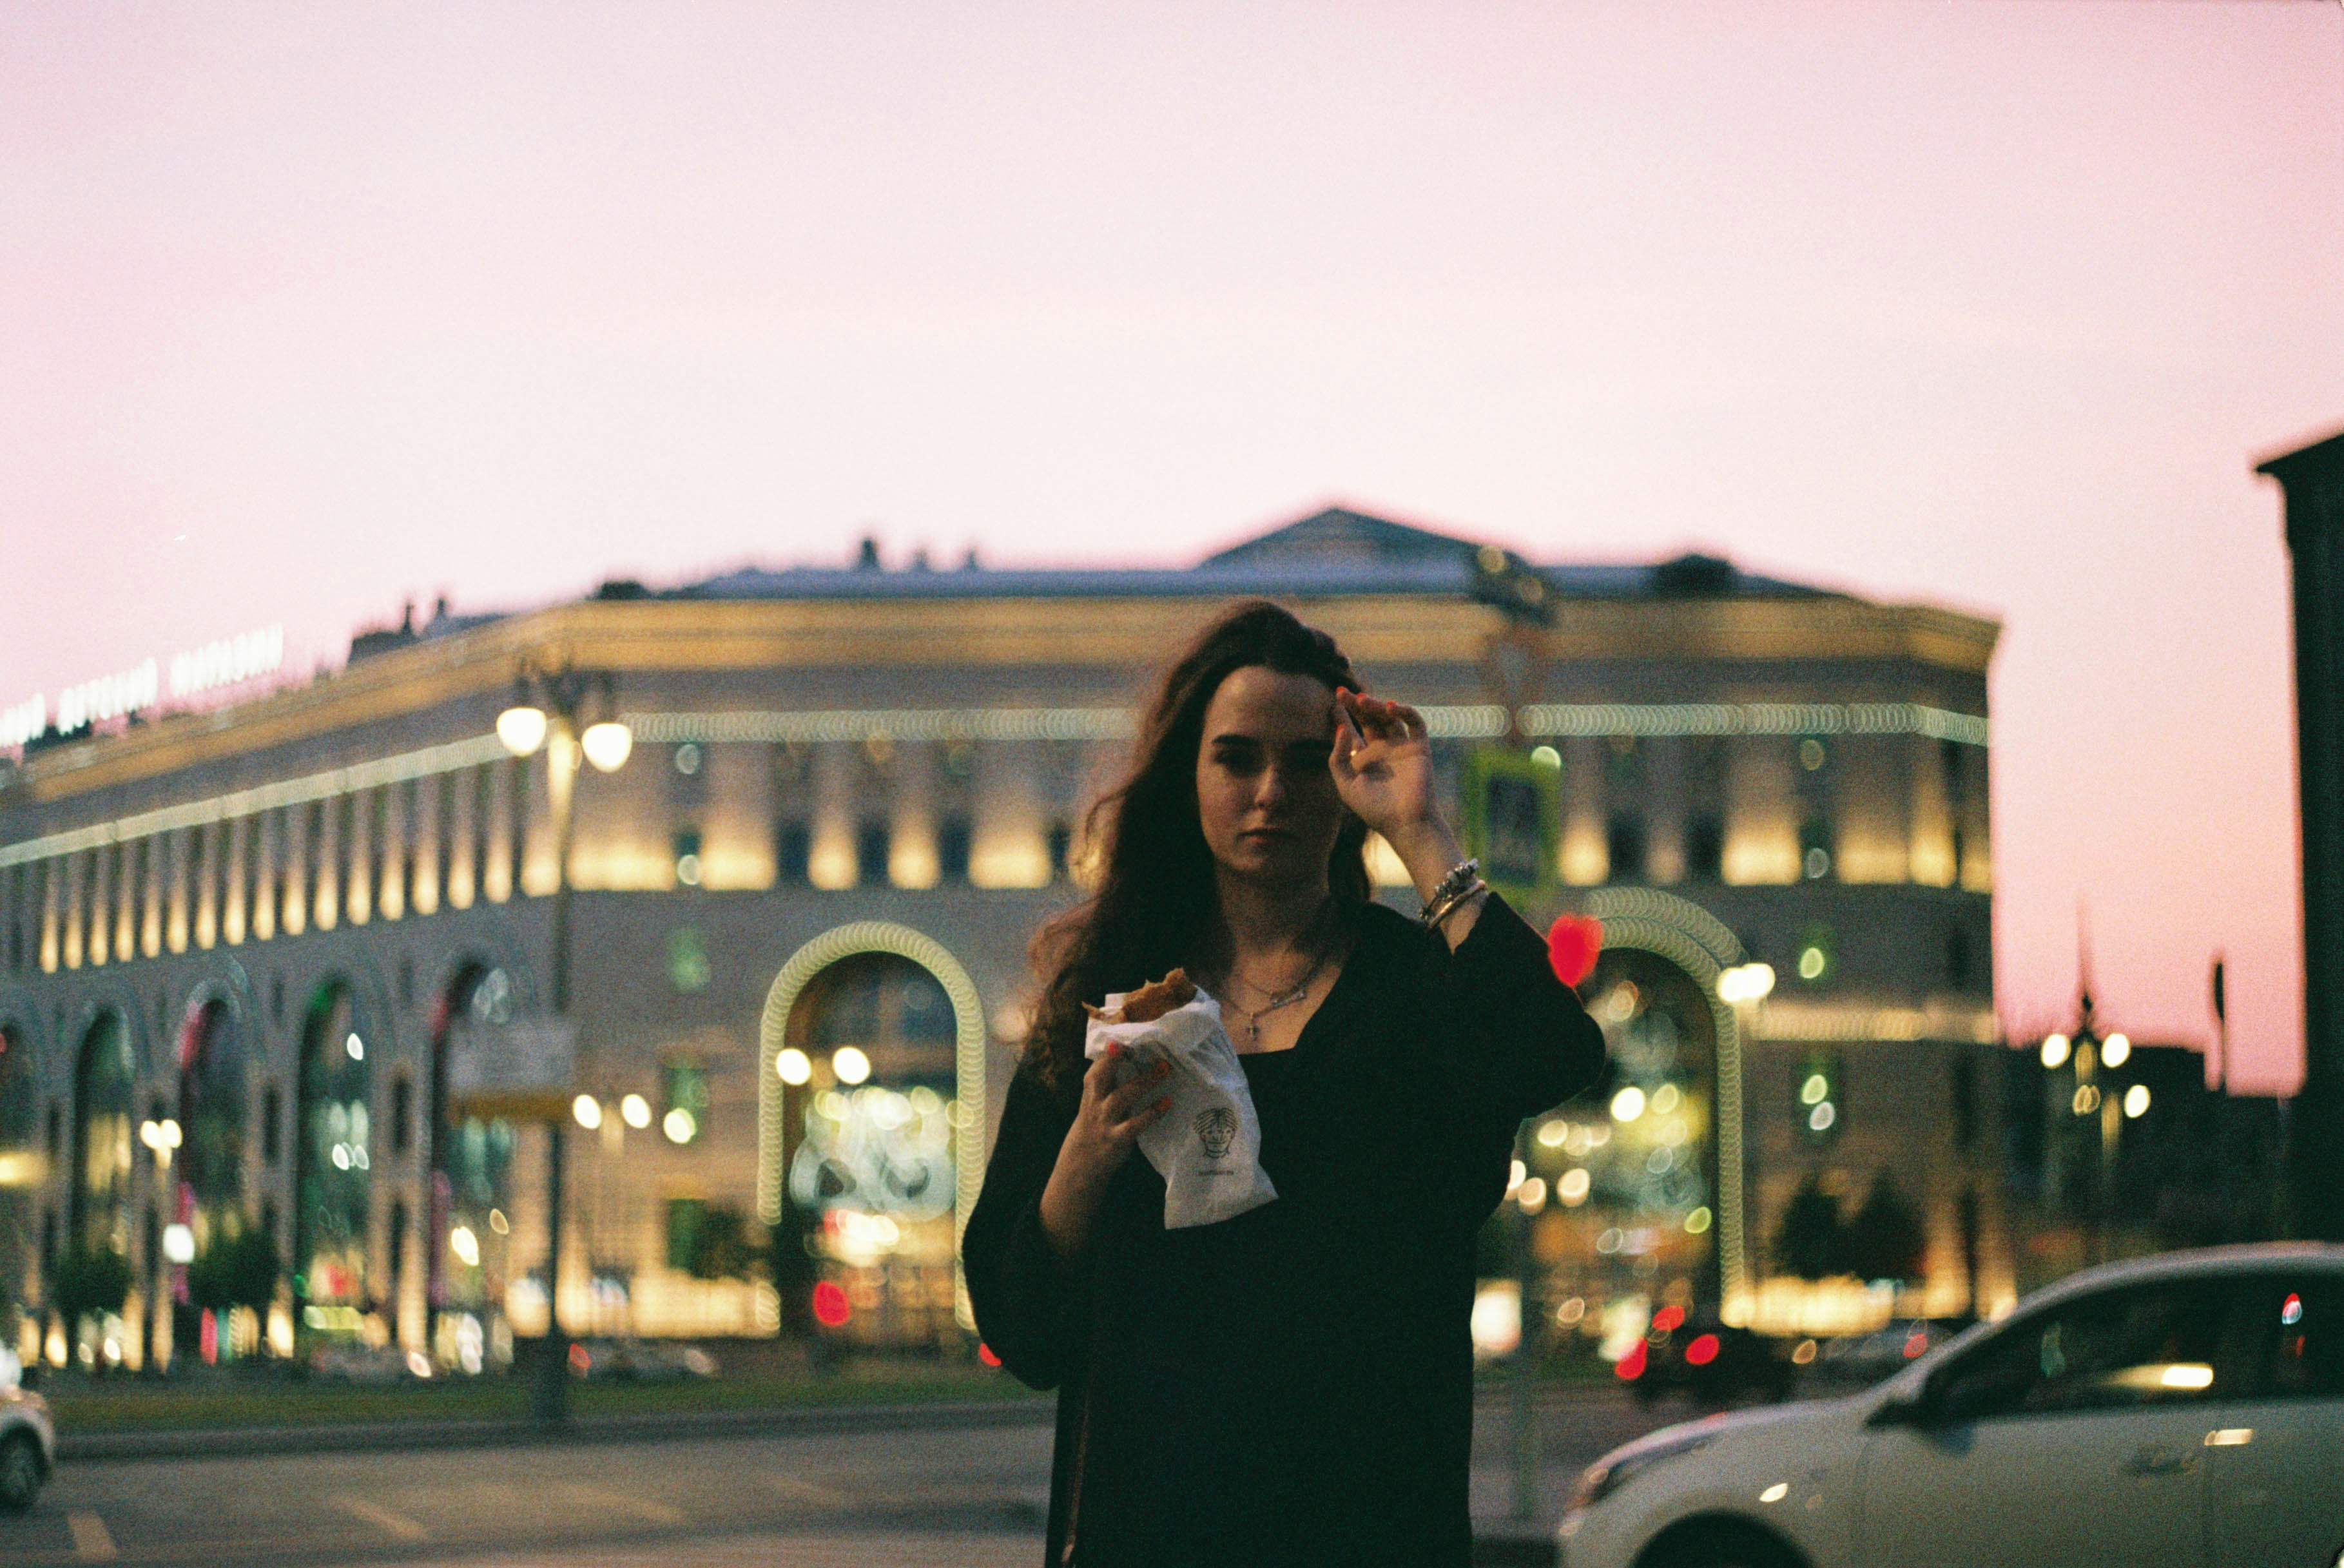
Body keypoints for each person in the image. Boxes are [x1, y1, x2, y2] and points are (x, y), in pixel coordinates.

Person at [962, 600, 1607, 1568]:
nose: (1270, 789)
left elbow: (1553, 1055)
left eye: (1306, 761)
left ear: (1346, 780)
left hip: (1372, 1528)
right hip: (1153, 1533)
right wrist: (1089, 1150)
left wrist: (1420, 829)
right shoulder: (1112, 1014)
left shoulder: (1411, 984)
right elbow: (1022, 1328)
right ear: (1189, 777)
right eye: (1235, 757)